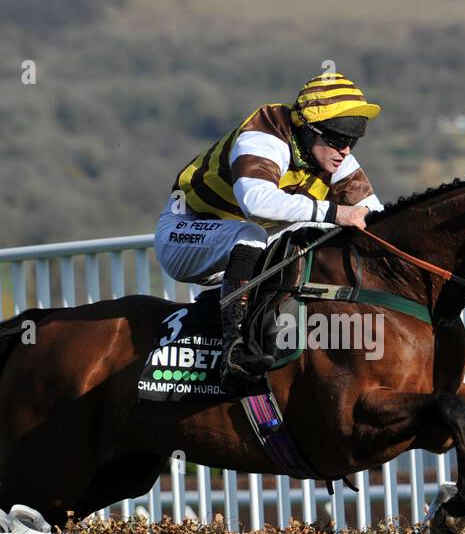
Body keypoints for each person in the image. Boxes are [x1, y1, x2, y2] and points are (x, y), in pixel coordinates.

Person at [154, 73, 384, 385]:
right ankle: (233, 353)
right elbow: (256, 202)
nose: (344, 150)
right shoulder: (263, 135)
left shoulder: (335, 156)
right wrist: (335, 211)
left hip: (242, 245)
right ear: (307, 129)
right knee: (253, 233)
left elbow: (376, 218)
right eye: (335, 139)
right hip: (185, 234)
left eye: (351, 141)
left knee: (312, 230)